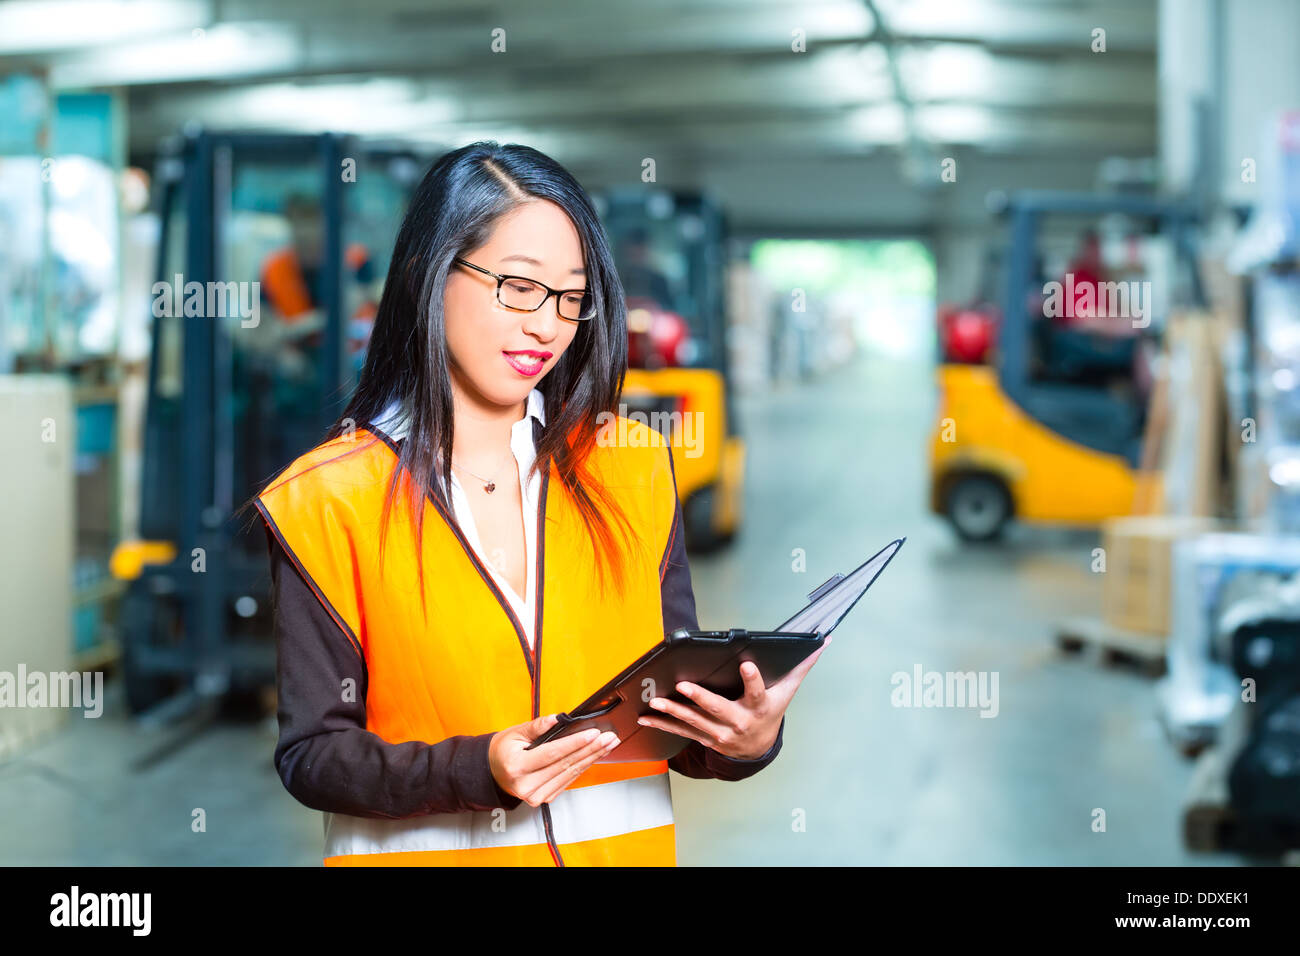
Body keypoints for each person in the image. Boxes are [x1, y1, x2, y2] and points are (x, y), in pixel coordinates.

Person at [250, 142, 827, 867]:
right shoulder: (329, 499)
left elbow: (670, 717)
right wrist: (476, 770)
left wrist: (745, 740)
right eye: (519, 287)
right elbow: (313, 755)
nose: (546, 326)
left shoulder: (631, 469)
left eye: (570, 297)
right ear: (430, 275)